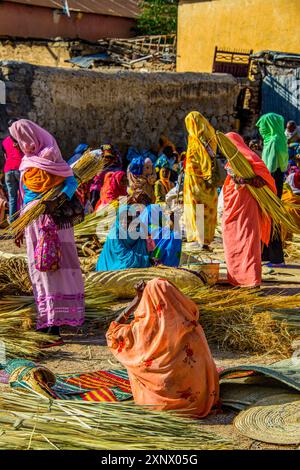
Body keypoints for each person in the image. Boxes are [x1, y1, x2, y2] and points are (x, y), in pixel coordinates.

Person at [10, 119, 85, 346]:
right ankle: (51, 321)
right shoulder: (27, 161)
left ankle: (53, 329)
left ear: (29, 137)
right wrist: (20, 225)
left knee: (51, 269)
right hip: (33, 222)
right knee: (45, 270)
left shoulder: (51, 157)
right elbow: (24, 198)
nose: (15, 145)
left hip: (52, 224)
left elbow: (71, 184)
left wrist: (52, 201)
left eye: (17, 140)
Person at [106, 278, 219, 416]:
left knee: (138, 363)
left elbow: (112, 334)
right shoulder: (192, 326)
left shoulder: (143, 330)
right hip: (197, 403)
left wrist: (135, 301)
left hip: (157, 405)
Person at [222, 133, 277, 287]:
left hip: (246, 207)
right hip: (235, 208)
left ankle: (251, 279)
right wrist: (249, 180)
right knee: (237, 239)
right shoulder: (233, 163)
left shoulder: (249, 160)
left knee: (248, 240)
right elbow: (236, 179)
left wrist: (254, 181)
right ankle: (239, 278)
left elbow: (263, 178)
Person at [257, 112, 289, 266]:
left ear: (269, 125)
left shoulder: (274, 142)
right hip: (277, 184)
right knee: (270, 219)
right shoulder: (279, 139)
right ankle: (267, 255)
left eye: (262, 126)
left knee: (271, 219)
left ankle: (275, 257)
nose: (260, 129)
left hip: (271, 184)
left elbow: (269, 169)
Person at [183, 111, 219, 250]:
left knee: (196, 209)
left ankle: (199, 239)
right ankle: (205, 240)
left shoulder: (195, 139)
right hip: (208, 181)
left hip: (195, 181)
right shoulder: (211, 137)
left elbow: (199, 161)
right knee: (207, 210)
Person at [96, 193, 152, 271]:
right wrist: (146, 260)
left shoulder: (138, 233)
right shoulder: (114, 234)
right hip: (112, 265)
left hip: (134, 263)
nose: (125, 222)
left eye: (129, 218)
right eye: (123, 219)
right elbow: (124, 257)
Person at [1, 122, 24, 222]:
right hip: (19, 169)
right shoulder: (21, 139)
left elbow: (6, 157)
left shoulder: (4, 141)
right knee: (24, 195)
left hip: (8, 170)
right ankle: (24, 220)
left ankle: (13, 223)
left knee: (12, 198)